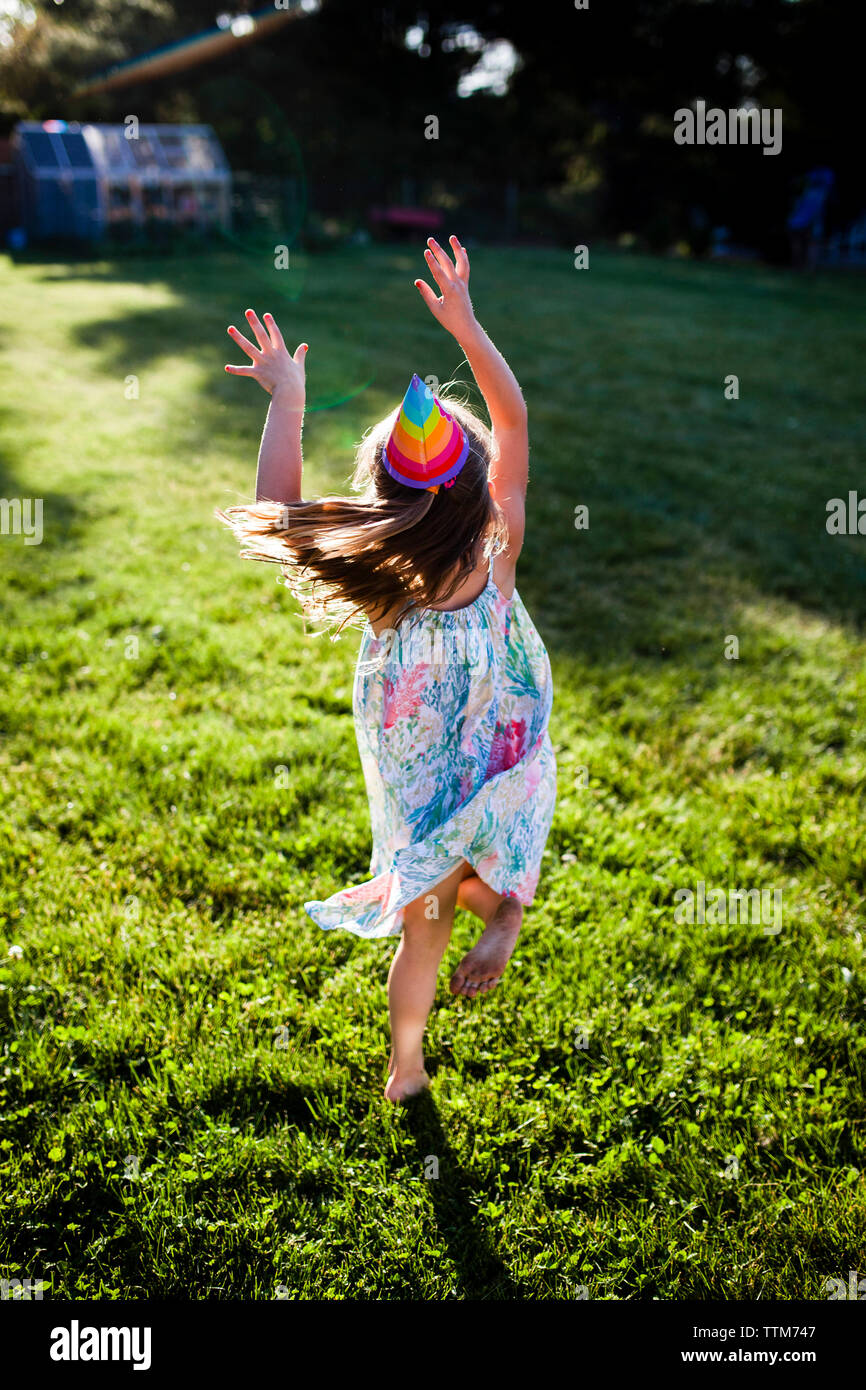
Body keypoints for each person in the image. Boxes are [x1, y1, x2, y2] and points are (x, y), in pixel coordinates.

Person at [216, 235, 557, 1102]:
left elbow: (280, 514)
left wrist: (287, 398)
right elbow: (513, 420)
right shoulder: (499, 545)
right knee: (479, 865)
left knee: (424, 922)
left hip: (418, 778)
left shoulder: (386, 582)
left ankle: (407, 1066)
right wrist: (469, 327)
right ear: (480, 491)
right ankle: (505, 906)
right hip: (497, 741)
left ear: (383, 498)